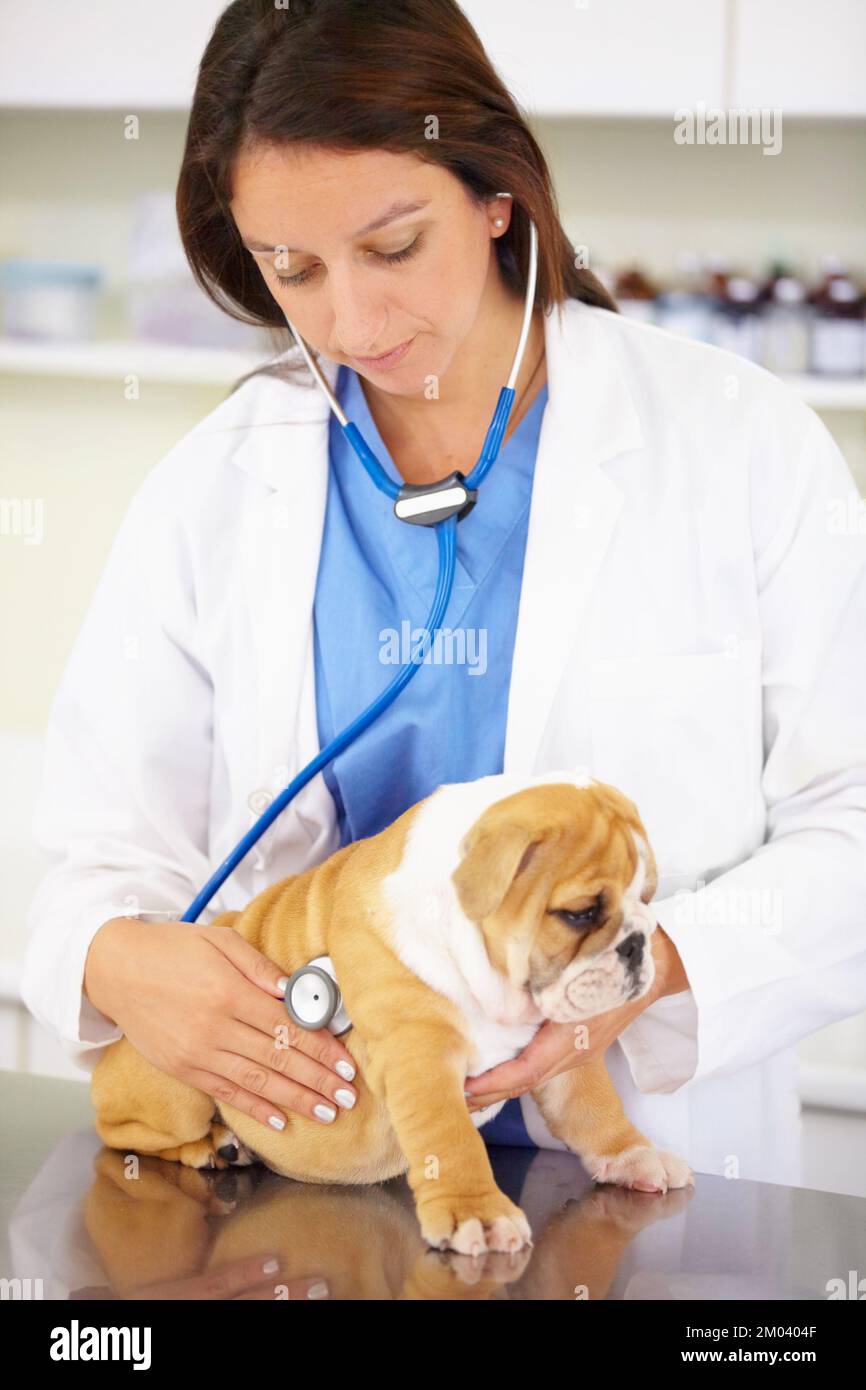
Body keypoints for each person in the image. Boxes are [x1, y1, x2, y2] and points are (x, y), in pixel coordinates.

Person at [22, 0, 866, 1186]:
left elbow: (852, 822)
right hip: (314, 1179)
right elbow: (95, 857)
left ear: (493, 194)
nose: (352, 321)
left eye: (393, 244)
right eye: (293, 269)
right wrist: (111, 957)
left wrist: (647, 963)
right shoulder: (218, 482)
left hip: (626, 1175)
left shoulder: (733, 443)